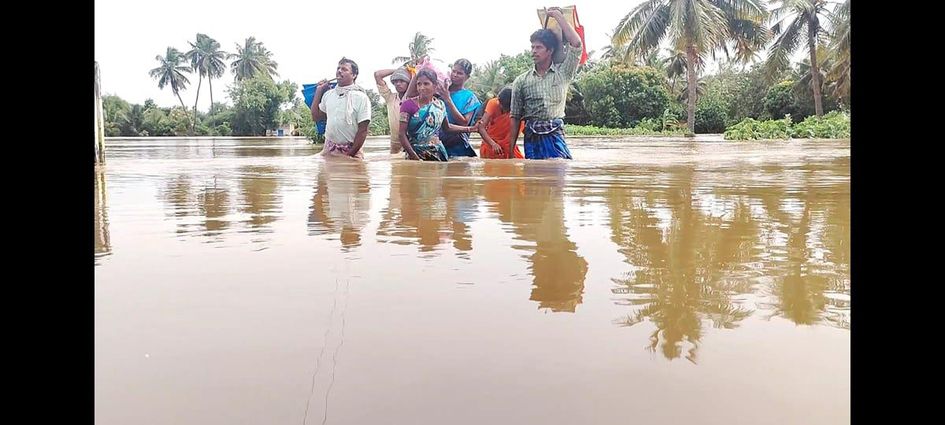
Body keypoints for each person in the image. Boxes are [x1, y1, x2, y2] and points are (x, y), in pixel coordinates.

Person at [509, 7, 582, 159]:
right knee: (533, 179)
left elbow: (576, 44)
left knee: (559, 175)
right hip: (532, 138)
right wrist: (511, 151)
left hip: (555, 135)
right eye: (532, 47)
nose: (534, 51)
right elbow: (515, 117)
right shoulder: (521, 81)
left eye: (539, 47)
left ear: (550, 51)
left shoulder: (563, 73)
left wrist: (558, 17)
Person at [399, 68, 479, 161]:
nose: (421, 87)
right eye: (419, 84)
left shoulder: (440, 104)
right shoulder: (408, 105)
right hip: (415, 155)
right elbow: (401, 134)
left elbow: (447, 127)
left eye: (426, 84)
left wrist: (470, 129)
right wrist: (415, 157)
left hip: (438, 154)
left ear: (435, 85)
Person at [310, 57, 371, 159]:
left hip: (353, 151)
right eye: (338, 68)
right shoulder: (328, 95)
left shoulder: (361, 98)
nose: (339, 71)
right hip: (329, 150)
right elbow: (315, 117)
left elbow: (363, 130)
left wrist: (350, 155)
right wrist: (318, 91)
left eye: (344, 69)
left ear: (354, 75)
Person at [477, 87, 524, 159]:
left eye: (508, 109)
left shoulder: (517, 109)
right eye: (503, 107)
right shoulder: (493, 103)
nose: (505, 111)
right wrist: (493, 144)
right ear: (499, 101)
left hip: (509, 146)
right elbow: (481, 127)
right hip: (491, 145)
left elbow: (514, 134)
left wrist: (511, 153)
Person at [374, 67, 411, 154]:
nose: (398, 84)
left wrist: (409, 72)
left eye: (402, 81)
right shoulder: (390, 98)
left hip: (411, 142)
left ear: (409, 83)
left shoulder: (414, 98)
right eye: (395, 82)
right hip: (395, 144)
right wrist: (398, 70)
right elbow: (377, 75)